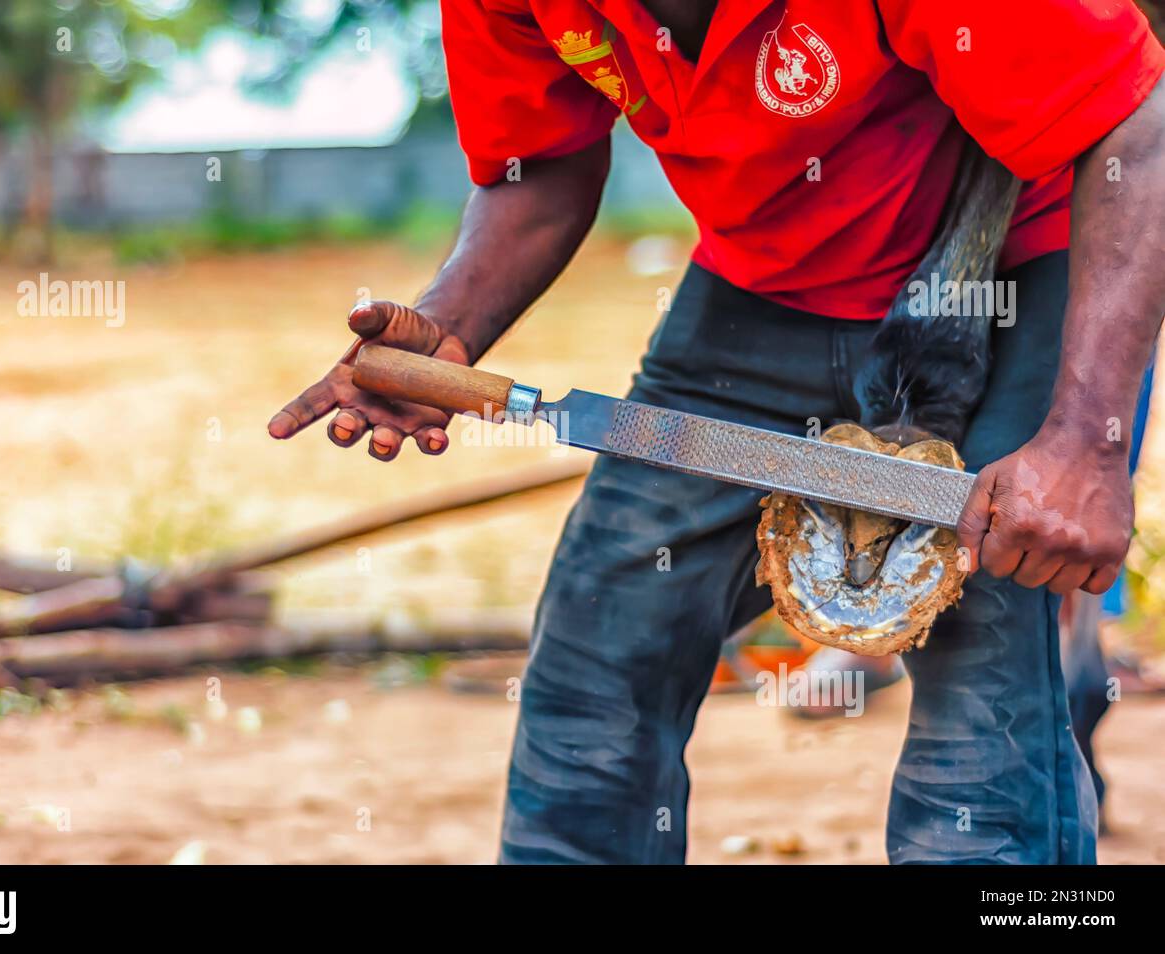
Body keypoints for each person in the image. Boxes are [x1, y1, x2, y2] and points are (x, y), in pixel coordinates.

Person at [269, 1, 1165, 863]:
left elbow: (1139, 128)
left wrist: (1085, 442)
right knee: (601, 653)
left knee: (986, 673)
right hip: (761, 285)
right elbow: (535, 169)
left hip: (1017, 264)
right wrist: (449, 329)